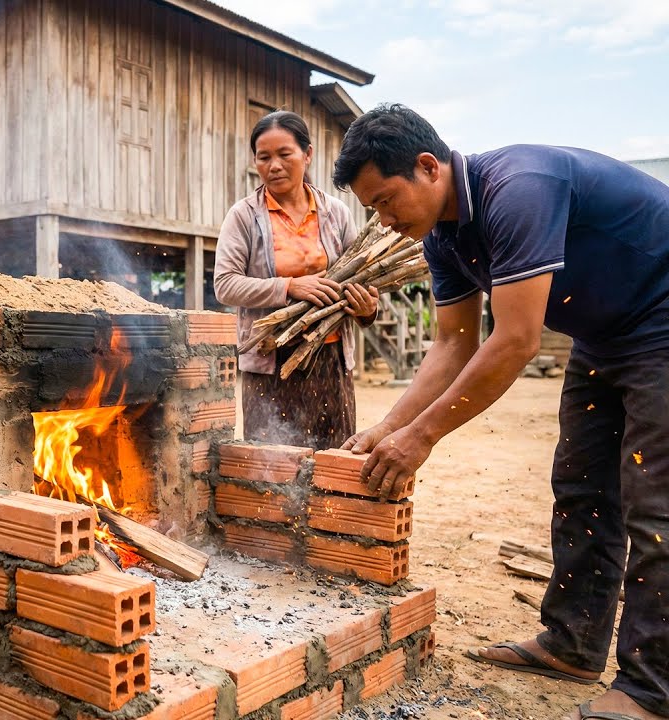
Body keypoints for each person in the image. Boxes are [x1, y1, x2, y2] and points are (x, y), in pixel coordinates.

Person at [333, 103, 669, 720]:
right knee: (581, 485)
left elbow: (515, 340)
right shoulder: (440, 236)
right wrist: (388, 427)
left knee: (656, 500)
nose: (382, 219)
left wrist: (422, 438)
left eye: (385, 200)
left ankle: (653, 689)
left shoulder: (516, 190)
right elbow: (453, 343)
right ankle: (573, 643)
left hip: (662, 320)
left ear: (428, 167)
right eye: (371, 208)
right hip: (604, 335)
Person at [214, 110, 379, 450]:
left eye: (284, 154)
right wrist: (289, 286)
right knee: (270, 470)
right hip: (270, 363)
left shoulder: (337, 213)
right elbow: (225, 283)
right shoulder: (244, 216)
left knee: (334, 464)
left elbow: (361, 276)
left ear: (307, 154)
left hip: (330, 362)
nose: (273, 165)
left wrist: (367, 309)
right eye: (263, 157)